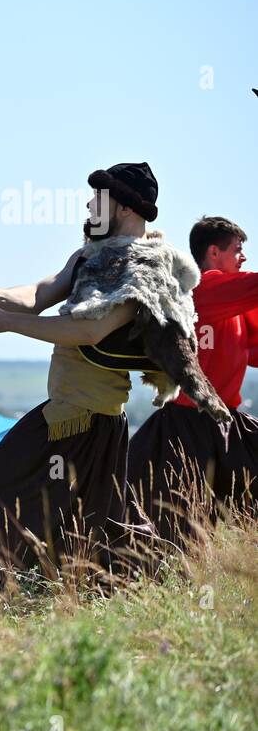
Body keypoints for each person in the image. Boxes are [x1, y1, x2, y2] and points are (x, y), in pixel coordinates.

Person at [0, 162, 224, 595]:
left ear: (122, 205)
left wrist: (5, 322)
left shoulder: (145, 271)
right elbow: (41, 292)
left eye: (99, 197)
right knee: (82, 529)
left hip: (88, 426)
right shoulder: (90, 256)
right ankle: (2, 601)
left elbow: (89, 330)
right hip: (67, 415)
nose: (89, 204)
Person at [128, 215, 258, 546]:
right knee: (183, 523)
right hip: (187, 425)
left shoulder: (238, 306)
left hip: (227, 422)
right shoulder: (199, 288)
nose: (243, 258)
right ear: (214, 253)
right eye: (238, 250)